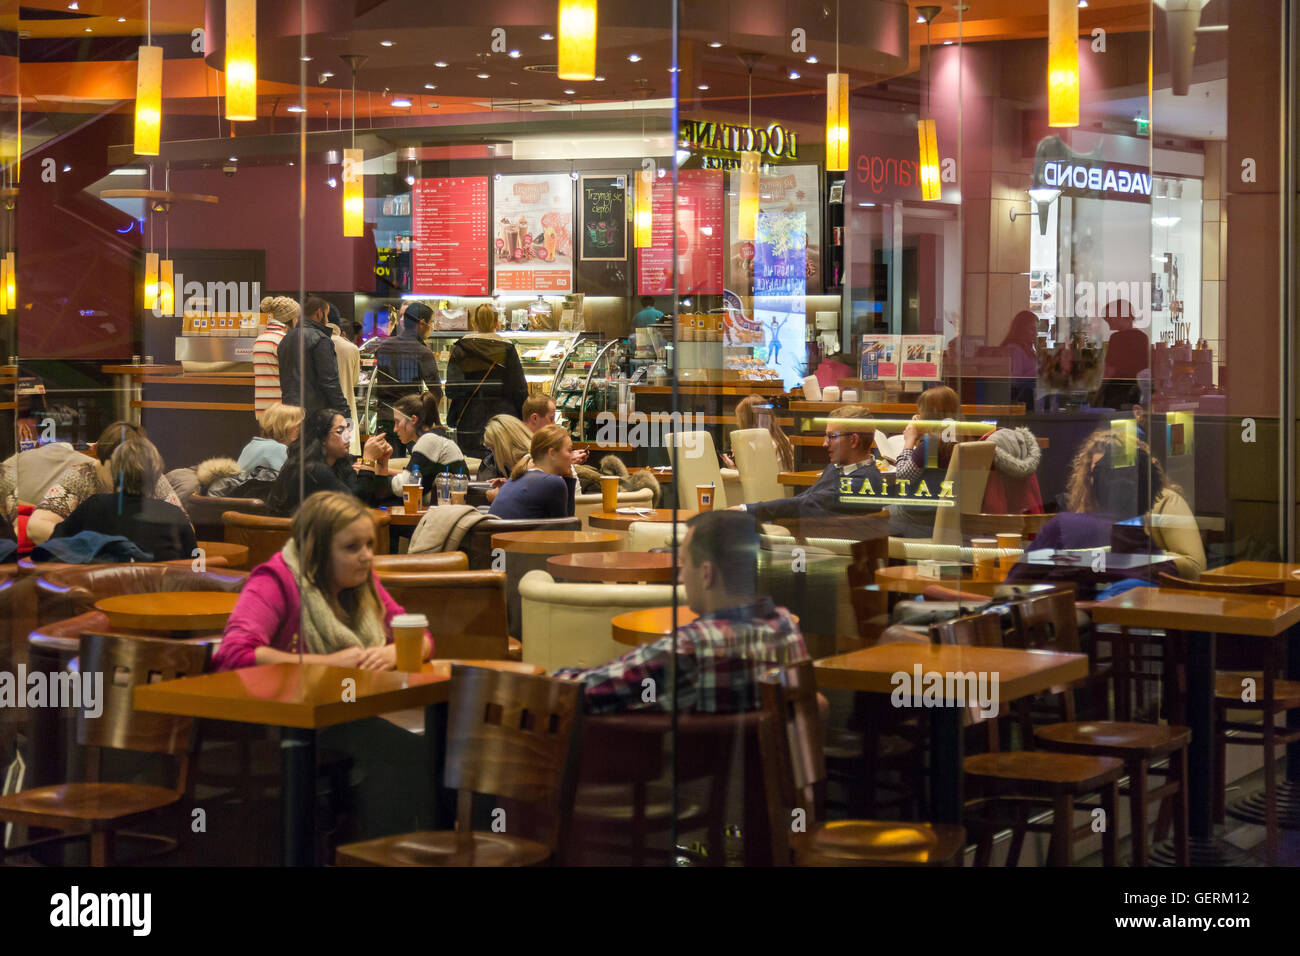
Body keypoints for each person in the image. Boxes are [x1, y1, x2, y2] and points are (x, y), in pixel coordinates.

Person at [555, 510, 807, 713]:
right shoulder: (786, 627)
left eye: (684, 564)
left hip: (677, 774)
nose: (681, 576)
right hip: (765, 773)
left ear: (707, 573)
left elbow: (584, 691)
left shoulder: (690, 647)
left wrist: (547, 678)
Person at [214, 491, 433, 670]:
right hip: (287, 715)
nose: (367, 556)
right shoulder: (275, 580)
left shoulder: (363, 580)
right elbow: (233, 655)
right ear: (317, 551)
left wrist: (394, 652)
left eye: (369, 544)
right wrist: (328, 664)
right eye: (351, 547)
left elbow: (422, 638)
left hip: (348, 705)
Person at [27, 421, 188, 545]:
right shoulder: (81, 476)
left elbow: (186, 529)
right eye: (117, 468)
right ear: (101, 458)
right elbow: (35, 527)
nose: (126, 477)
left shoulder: (151, 477)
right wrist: (89, 547)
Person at [51, 438, 197, 563]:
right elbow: (192, 568)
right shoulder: (174, 515)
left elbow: (53, 547)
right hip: (159, 594)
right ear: (155, 475)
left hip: (101, 593)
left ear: (115, 472)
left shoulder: (93, 506)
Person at [736, 404, 884, 525]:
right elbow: (803, 500)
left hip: (822, 551)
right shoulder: (836, 468)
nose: (824, 443)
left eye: (831, 437)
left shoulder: (863, 482)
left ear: (853, 440)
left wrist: (746, 510)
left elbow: (804, 505)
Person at [265, 408, 398, 516]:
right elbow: (355, 506)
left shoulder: (340, 463)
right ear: (322, 438)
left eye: (347, 430)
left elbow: (376, 500)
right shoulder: (312, 469)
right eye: (340, 431)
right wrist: (368, 460)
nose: (348, 436)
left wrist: (382, 463)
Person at [445, 303, 528, 460]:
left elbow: (451, 390)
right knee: (501, 463)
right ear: (497, 323)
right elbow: (519, 390)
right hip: (503, 421)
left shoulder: (460, 348)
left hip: (469, 421)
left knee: (473, 466)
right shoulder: (507, 348)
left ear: (474, 323)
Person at [890, 385, 963, 538]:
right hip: (947, 518)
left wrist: (910, 440)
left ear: (930, 415)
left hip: (917, 519)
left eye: (920, 412)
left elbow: (903, 476)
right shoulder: (959, 439)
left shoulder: (933, 444)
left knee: (868, 521)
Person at [369, 301, 441, 452]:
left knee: (387, 462)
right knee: (417, 464)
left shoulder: (384, 346)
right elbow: (436, 391)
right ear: (422, 323)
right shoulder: (422, 351)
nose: (431, 327)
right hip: (411, 421)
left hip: (386, 416)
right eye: (431, 322)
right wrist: (429, 420)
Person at [277, 295, 349, 419]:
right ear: (319, 313)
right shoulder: (320, 339)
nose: (327, 320)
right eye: (326, 315)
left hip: (289, 412)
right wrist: (345, 413)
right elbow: (330, 382)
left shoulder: (286, 339)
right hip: (316, 415)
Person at [487, 424, 576, 520]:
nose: (572, 456)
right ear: (552, 453)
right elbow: (567, 529)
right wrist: (569, 480)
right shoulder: (553, 483)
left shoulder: (517, 477)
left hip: (496, 534)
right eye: (569, 450)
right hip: (515, 534)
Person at [388, 392, 467, 498]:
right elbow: (414, 477)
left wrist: (378, 477)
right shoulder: (435, 437)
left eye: (397, 422)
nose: (395, 429)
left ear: (413, 420)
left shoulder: (429, 440)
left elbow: (402, 487)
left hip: (449, 509)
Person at [720, 393, 795, 472]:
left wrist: (735, 464)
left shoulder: (760, 446)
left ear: (747, 422)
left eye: (740, 420)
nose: (737, 424)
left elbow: (753, 481)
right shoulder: (784, 441)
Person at [252, 296, 300, 414]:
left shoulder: (259, 339)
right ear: (292, 319)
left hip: (263, 409)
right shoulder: (284, 340)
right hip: (281, 410)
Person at [236, 402, 304, 473]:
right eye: (298, 425)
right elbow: (289, 479)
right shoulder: (277, 449)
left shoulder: (252, 445)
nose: (300, 429)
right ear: (286, 427)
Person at [328, 318, 362, 455]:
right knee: (347, 450)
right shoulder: (352, 348)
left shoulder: (314, 343)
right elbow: (354, 381)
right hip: (346, 404)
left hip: (324, 408)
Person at [521, 393, 587, 465]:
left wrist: (568, 455)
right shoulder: (521, 446)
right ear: (535, 418)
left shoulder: (540, 440)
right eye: (551, 419)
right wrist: (565, 460)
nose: (554, 424)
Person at [1101, 299, 1150, 379]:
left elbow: (1110, 370)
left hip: (1118, 385)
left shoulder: (1116, 337)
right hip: (1136, 386)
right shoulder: (1143, 337)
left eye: (1108, 317)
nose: (1107, 320)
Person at [998, 310, 1039, 377]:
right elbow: (1016, 381)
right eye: (1032, 329)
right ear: (1021, 329)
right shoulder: (1015, 349)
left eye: (1037, 329)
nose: (1036, 333)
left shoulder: (1027, 349)